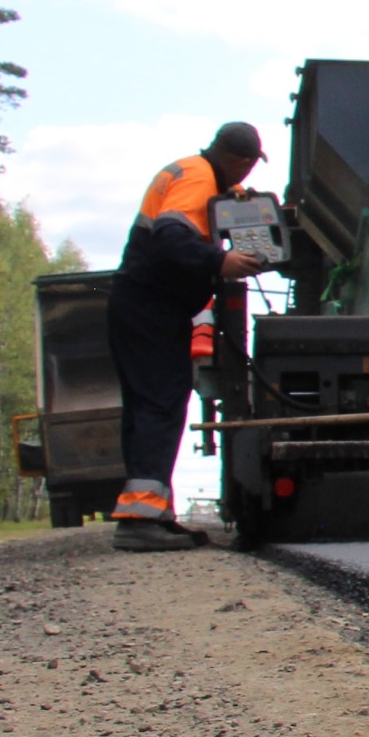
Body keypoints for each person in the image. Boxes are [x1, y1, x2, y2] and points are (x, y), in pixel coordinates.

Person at [107, 122, 274, 551]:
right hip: (150, 306)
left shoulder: (191, 172)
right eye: (250, 169)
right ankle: (138, 521)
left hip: (140, 305)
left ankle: (151, 511)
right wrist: (222, 262)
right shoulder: (199, 176)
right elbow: (169, 239)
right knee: (160, 403)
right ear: (242, 161)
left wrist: (224, 208)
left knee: (148, 404)